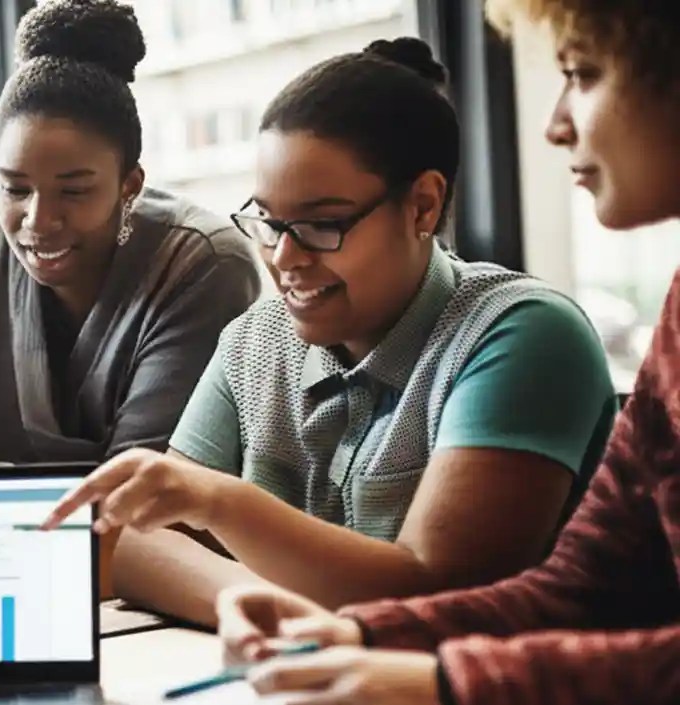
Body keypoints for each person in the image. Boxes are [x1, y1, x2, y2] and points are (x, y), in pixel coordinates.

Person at [45, 37, 618, 626]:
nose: (284, 258)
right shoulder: (253, 342)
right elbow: (138, 542)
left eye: (322, 225)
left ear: (423, 206)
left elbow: (441, 594)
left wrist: (221, 503)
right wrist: (263, 610)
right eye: (269, 222)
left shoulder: (523, 335)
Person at [213, 2, 680, 705]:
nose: (557, 125)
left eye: (584, 75)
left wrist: (449, 685)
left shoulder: (519, 327)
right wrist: (361, 633)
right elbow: (583, 585)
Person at [0, 0, 260, 464]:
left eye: (73, 191)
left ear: (129, 187)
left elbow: (143, 486)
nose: (38, 220)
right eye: (15, 188)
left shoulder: (202, 264)